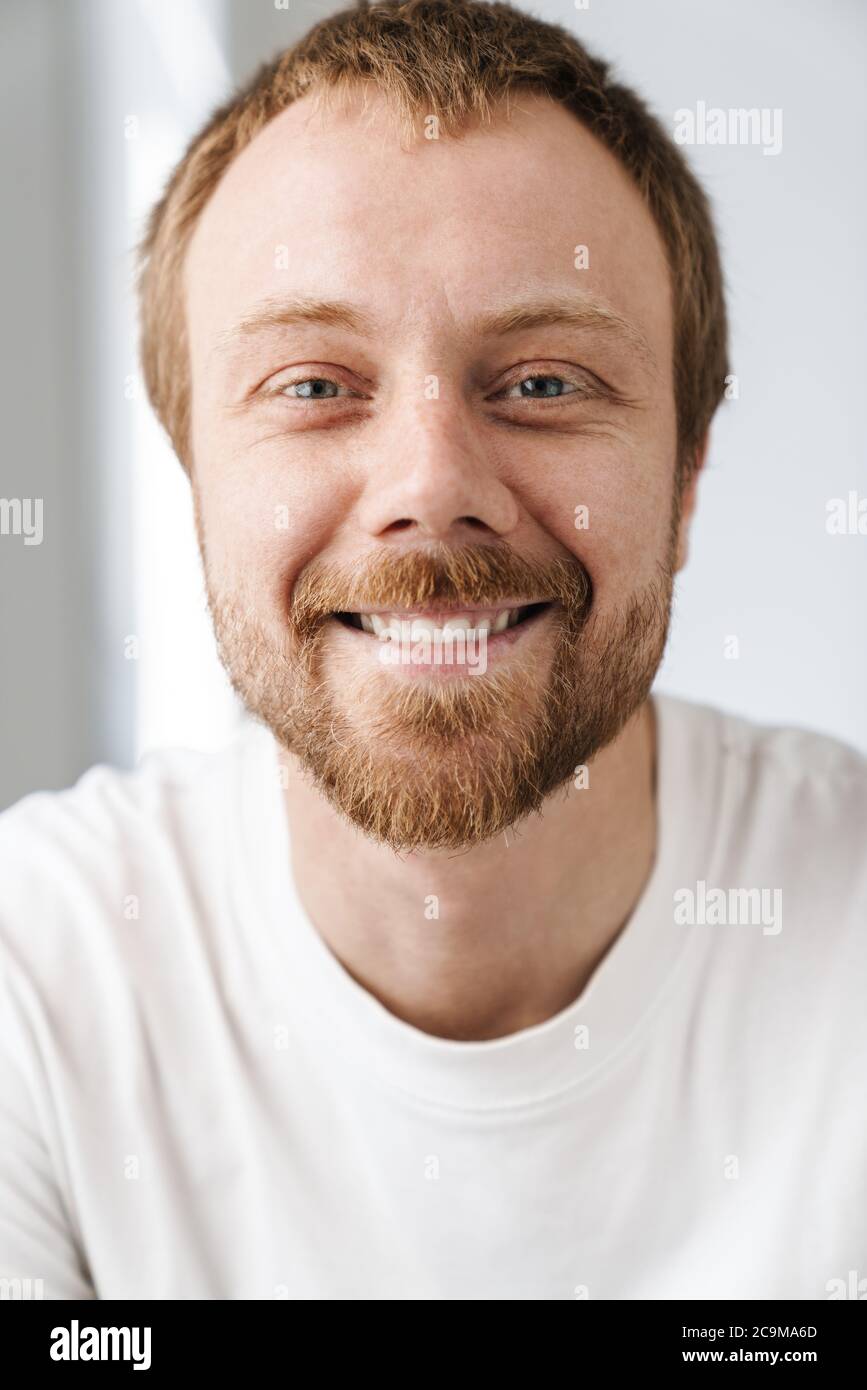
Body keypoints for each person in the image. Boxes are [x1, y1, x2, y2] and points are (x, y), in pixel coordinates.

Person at [1, 0, 864, 1301]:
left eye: (544, 381)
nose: (430, 485)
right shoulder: (34, 981)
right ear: (194, 478)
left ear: (686, 476)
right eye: (313, 386)